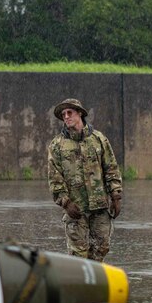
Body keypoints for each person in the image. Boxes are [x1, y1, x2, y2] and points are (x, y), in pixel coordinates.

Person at [47, 98, 123, 261]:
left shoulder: (98, 139)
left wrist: (116, 196)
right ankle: (79, 276)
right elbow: (55, 178)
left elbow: (111, 167)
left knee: (101, 248)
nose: (66, 117)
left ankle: (94, 276)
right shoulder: (57, 145)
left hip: (100, 206)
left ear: (80, 113)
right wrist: (66, 203)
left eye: (69, 112)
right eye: (63, 114)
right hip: (76, 208)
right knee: (78, 254)